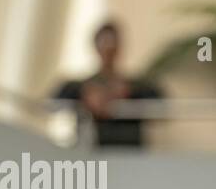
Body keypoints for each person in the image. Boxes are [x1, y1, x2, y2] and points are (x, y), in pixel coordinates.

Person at [52, 20, 163, 148]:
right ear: (96, 47)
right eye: (104, 42)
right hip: (91, 154)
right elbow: (53, 104)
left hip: (129, 154)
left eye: (112, 42)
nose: (108, 48)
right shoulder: (78, 87)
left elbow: (161, 108)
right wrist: (85, 96)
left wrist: (127, 92)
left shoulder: (138, 86)